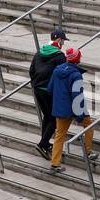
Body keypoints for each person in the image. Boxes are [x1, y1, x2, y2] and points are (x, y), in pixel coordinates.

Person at [48, 47, 97, 174]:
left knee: (59, 136)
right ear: (77, 59)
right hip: (73, 109)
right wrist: (80, 115)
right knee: (89, 126)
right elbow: (77, 97)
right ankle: (88, 151)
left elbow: (50, 88)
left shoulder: (57, 70)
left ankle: (55, 163)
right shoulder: (76, 75)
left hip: (59, 109)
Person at [30, 30, 67, 158]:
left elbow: (31, 70)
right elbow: (63, 75)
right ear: (58, 40)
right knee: (54, 118)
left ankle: (44, 143)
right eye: (63, 41)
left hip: (37, 88)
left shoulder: (39, 52)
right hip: (49, 90)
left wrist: (35, 83)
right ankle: (43, 143)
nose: (63, 44)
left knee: (47, 115)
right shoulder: (60, 56)